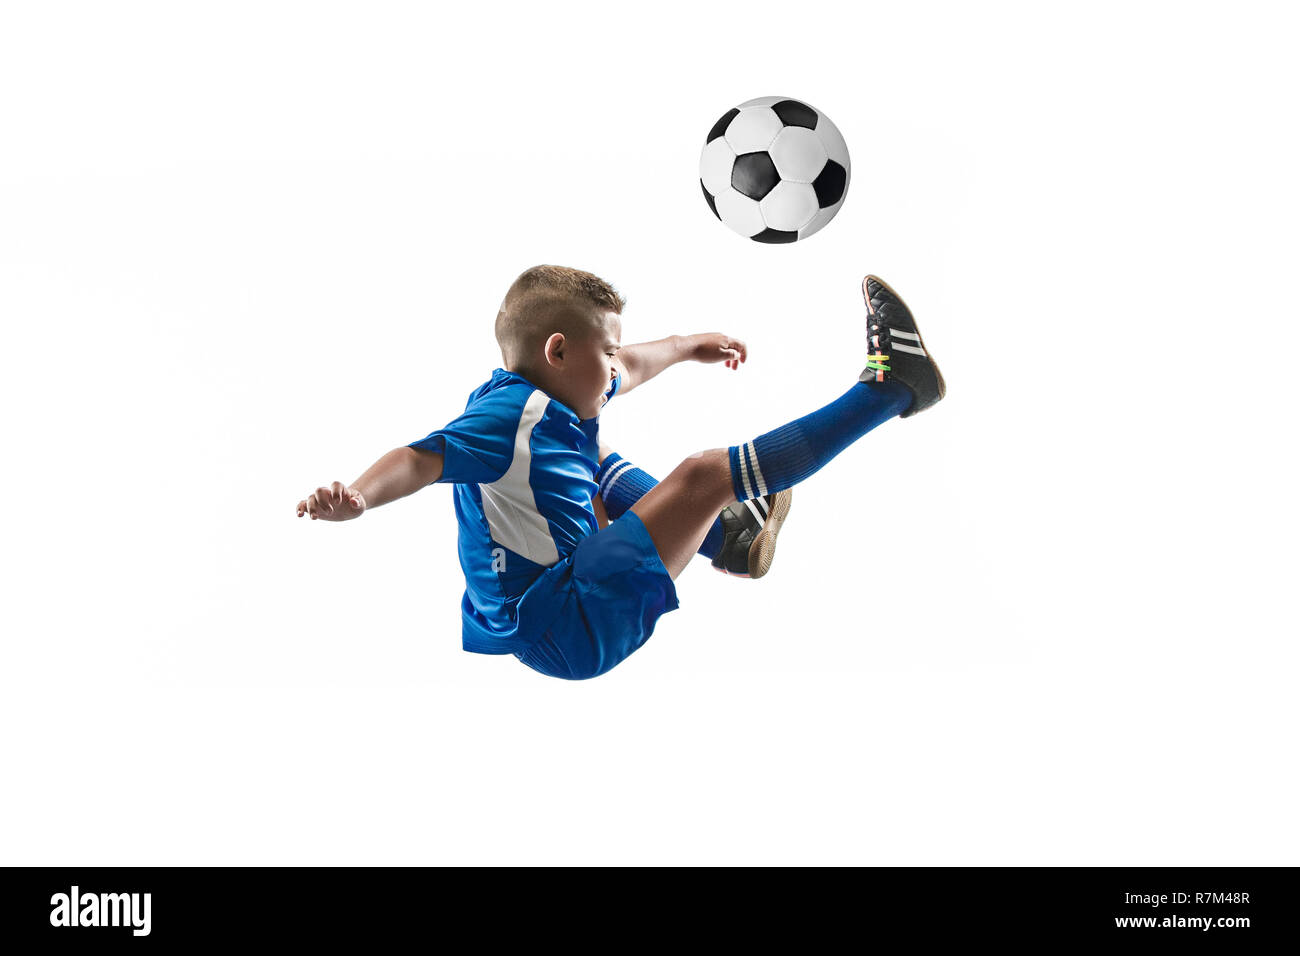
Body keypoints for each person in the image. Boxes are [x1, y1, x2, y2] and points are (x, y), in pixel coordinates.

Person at [296, 265, 944, 680]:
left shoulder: (556, 395)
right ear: (558, 351)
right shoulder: (507, 419)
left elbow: (632, 363)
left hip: (552, 603)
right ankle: (891, 387)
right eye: (604, 351)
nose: (616, 369)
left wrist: (689, 346)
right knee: (700, 477)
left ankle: (734, 540)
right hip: (564, 618)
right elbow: (417, 459)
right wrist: (357, 495)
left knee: (592, 462)